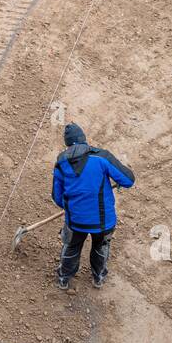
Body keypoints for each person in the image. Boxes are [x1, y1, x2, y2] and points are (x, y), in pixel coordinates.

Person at [52, 122, 133, 290]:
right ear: (84, 140)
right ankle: (98, 277)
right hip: (104, 222)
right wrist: (117, 181)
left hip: (75, 221)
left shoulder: (61, 162)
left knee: (72, 248)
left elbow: (57, 196)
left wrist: (71, 207)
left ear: (67, 143)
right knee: (100, 247)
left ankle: (64, 279)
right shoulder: (102, 157)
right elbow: (128, 180)